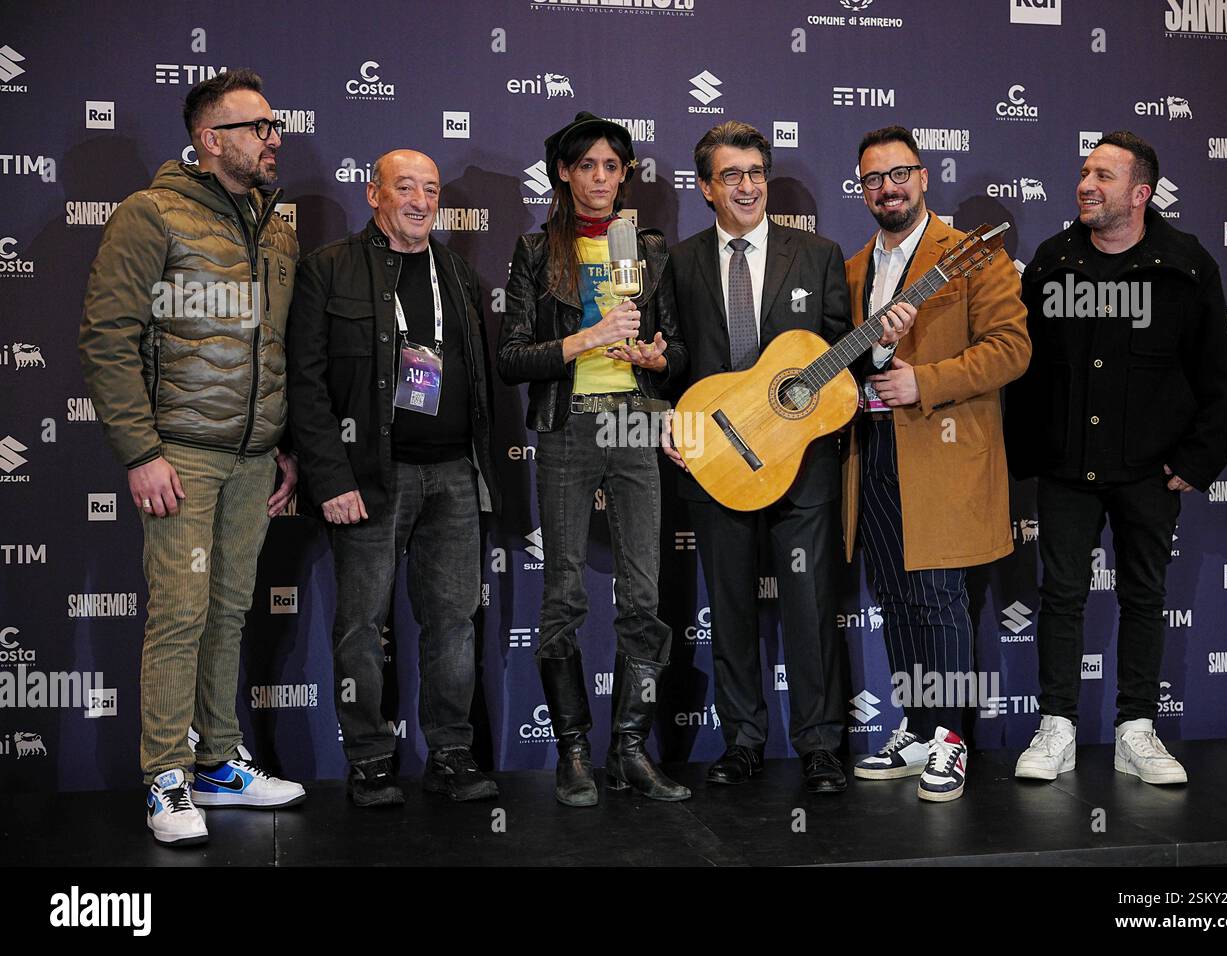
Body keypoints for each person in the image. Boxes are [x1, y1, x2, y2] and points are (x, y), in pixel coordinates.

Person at [79, 69, 305, 846]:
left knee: (228, 613)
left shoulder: (276, 224)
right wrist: (141, 451)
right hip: (180, 450)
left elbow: (275, 346)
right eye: (258, 126)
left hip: (252, 455)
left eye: (275, 126)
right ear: (212, 139)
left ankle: (217, 762)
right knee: (179, 614)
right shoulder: (152, 214)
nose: (274, 138)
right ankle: (166, 777)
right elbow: (108, 337)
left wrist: (282, 446)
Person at [1006, 131, 1227, 785]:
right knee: (1062, 598)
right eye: (1084, 171)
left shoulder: (1186, 267)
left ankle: (1138, 728)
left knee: (1145, 596)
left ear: (1140, 193)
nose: (1086, 183)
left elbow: (1217, 374)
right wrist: (1028, 453)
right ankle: (1057, 726)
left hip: (1149, 468)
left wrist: (1198, 460)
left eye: (1103, 175)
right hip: (1067, 469)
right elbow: (1026, 373)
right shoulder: (1051, 263)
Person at [287, 150, 501, 807]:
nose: (419, 200)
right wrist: (331, 478)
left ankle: (452, 753)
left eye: (430, 190)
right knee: (360, 626)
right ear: (373, 193)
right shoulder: (328, 270)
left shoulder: (457, 274)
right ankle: (370, 759)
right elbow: (307, 384)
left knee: (454, 623)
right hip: (370, 478)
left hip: (454, 477)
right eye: (404, 187)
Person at [498, 112, 689, 806]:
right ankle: (574, 752)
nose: (602, 180)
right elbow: (513, 357)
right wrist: (589, 338)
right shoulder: (534, 249)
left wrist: (656, 356)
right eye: (588, 167)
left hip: (637, 425)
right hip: (568, 427)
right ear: (563, 173)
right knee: (564, 595)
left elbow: (680, 355)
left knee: (644, 594)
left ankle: (631, 750)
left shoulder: (650, 247)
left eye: (613, 167)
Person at [667, 121, 858, 794]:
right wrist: (671, 419)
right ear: (705, 188)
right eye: (731, 175)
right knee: (731, 609)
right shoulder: (679, 261)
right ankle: (742, 741)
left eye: (755, 173)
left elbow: (840, 358)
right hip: (716, 463)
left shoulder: (819, 253)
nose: (747, 186)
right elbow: (675, 362)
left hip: (801, 467)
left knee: (810, 608)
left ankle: (820, 746)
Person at [841, 126, 1030, 802]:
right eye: (873, 178)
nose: (887, 188)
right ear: (861, 188)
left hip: (946, 453)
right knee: (896, 599)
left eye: (900, 174)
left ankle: (950, 738)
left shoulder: (974, 254)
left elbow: (1012, 348)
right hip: (875, 455)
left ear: (923, 177)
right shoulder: (855, 267)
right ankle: (918, 726)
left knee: (943, 599)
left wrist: (928, 381)